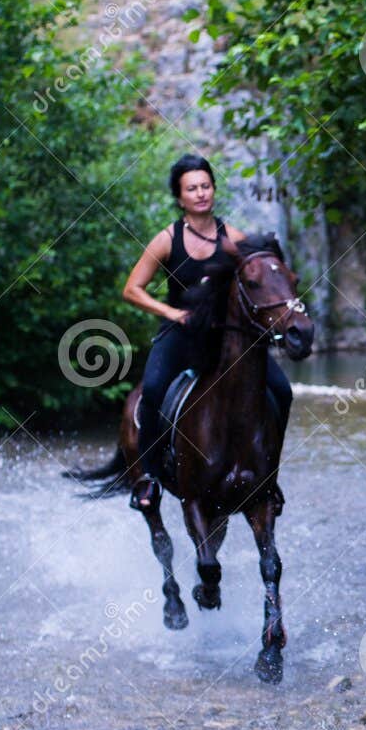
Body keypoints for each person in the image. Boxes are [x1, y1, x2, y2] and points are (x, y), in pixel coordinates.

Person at [121, 154, 295, 511]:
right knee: (152, 390)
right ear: (179, 197)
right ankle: (149, 477)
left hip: (226, 337)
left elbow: (260, 283)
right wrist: (172, 312)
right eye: (191, 188)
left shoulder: (234, 239)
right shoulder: (167, 239)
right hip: (182, 334)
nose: (200, 193)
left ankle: (269, 478)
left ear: (214, 189)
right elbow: (132, 289)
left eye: (205, 186)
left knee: (282, 390)